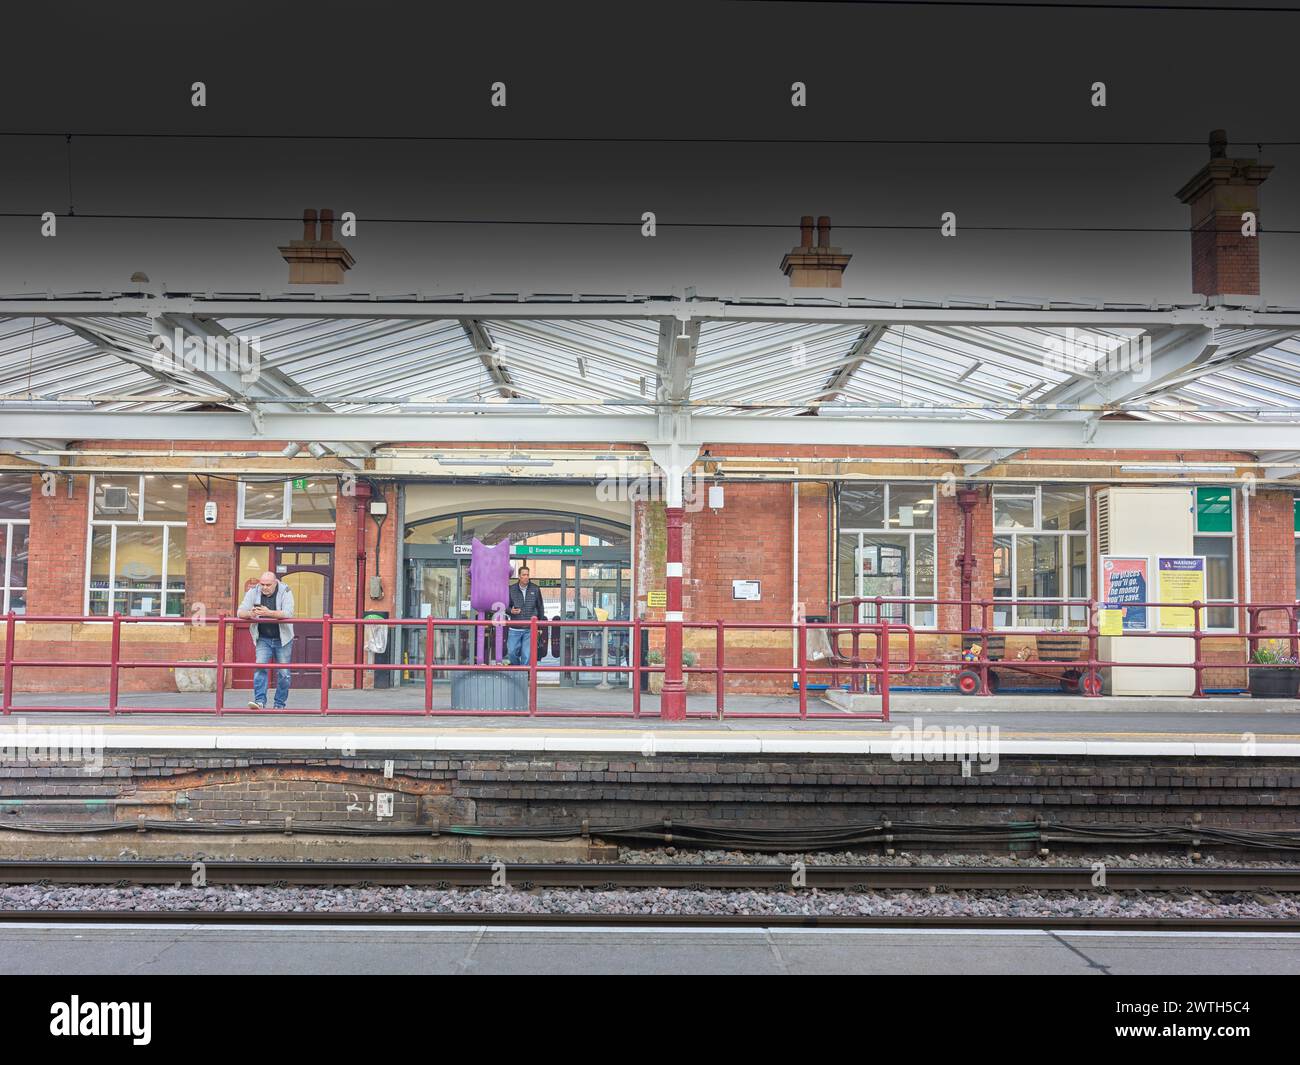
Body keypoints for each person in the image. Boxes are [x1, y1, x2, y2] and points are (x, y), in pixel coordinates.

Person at [237, 571, 296, 710]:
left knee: (284, 674)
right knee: (260, 668)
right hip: (263, 637)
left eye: (268, 585)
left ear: (275, 583)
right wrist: (250, 614)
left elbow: (288, 613)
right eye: (262, 584)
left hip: (283, 639)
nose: (264, 588)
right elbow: (240, 612)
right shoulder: (253, 591)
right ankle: (259, 702)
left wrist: (268, 613)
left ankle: (279, 704)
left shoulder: (285, 590)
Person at [506, 565, 545, 666]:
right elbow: (505, 606)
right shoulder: (511, 589)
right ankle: (517, 670)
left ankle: (524, 675)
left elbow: (540, 607)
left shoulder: (535, 589)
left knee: (527, 655)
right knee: (511, 653)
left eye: (527, 575)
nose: (526, 577)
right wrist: (511, 611)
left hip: (530, 628)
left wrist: (539, 626)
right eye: (524, 575)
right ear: (519, 576)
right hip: (515, 628)